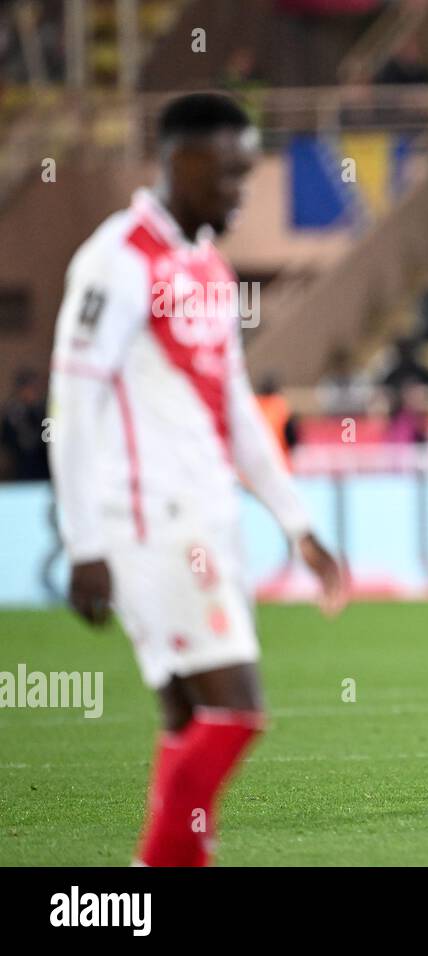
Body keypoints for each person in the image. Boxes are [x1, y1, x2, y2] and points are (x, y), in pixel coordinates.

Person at [47, 92, 345, 866]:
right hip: (152, 522)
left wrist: (297, 521)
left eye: (246, 174)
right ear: (179, 163)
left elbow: (236, 407)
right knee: (236, 710)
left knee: (185, 720)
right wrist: (82, 542)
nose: (239, 192)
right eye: (227, 174)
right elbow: (72, 404)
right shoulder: (116, 260)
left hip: (206, 515)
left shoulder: (207, 267)